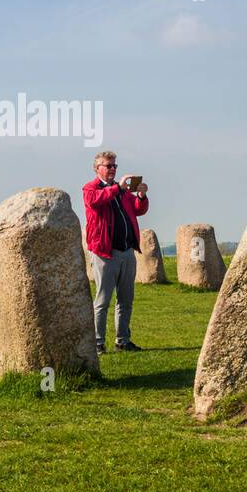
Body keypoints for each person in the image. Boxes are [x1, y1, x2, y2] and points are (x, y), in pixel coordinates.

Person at [82, 150, 149, 354]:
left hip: (127, 251)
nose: (112, 169)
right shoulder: (90, 188)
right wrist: (118, 188)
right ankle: (97, 342)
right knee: (102, 300)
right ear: (97, 168)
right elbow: (95, 201)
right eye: (108, 165)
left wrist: (141, 196)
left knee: (126, 300)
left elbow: (138, 210)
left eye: (114, 166)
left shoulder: (122, 192)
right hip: (105, 252)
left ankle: (123, 340)